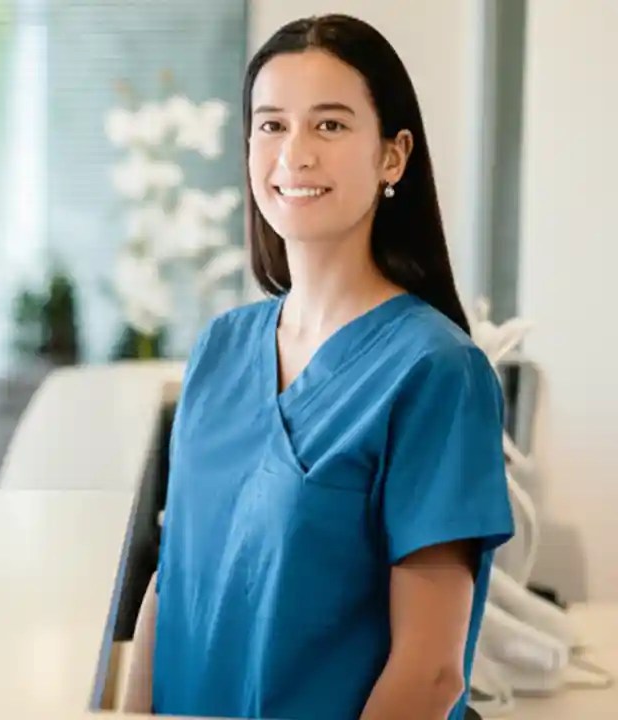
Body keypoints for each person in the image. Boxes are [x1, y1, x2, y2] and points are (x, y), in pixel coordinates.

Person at [123, 14, 515, 720]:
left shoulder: (436, 372)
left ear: (392, 156)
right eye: (272, 125)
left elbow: (430, 673)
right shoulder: (219, 349)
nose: (295, 153)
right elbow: (171, 582)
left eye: (329, 125)